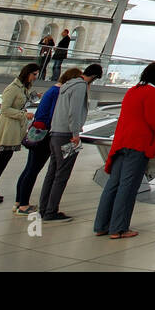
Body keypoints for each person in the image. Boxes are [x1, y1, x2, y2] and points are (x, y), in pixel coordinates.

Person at [93, 61, 155, 239]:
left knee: (112, 185)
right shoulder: (151, 92)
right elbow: (152, 118)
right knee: (128, 186)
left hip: (121, 142)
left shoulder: (132, 91)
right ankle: (118, 228)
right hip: (137, 145)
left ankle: (102, 225)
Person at [39, 63, 102, 223]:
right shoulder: (80, 87)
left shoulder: (67, 84)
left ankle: (44, 208)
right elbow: (74, 111)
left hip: (55, 133)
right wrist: (75, 134)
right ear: (93, 77)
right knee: (62, 174)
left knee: (52, 172)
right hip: (67, 135)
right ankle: (51, 212)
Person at [0, 63, 38, 204]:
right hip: (7, 128)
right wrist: (23, 114)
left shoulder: (23, 88)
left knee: (3, 159)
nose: (35, 77)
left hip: (14, 128)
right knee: (1, 160)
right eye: (34, 74)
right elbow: (4, 109)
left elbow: (22, 102)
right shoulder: (13, 88)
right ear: (28, 73)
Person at [13, 69, 65, 215]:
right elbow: (53, 115)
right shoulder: (57, 93)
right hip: (44, 135)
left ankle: (19, 201)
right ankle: (23, 205)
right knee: (33, 170)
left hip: (36, 131)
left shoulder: (51, 91)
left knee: (29, 168)